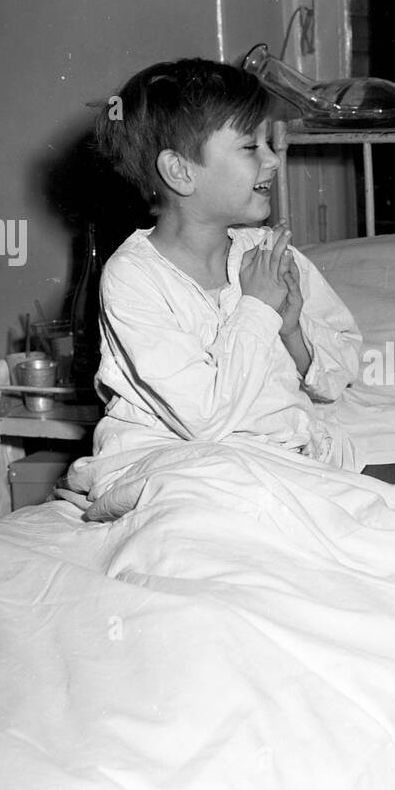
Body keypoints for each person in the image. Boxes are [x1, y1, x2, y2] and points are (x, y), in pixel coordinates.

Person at [67, 58, 360, 498]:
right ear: (180, 171)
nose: (273, 160)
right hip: (174, 463)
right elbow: (205, 419)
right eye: (250, 147)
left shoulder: (270, 256)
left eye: (268, 143)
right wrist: (257, 308)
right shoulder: (133, 276)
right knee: (217, 494)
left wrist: (292, 330)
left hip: (272, 460)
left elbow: (341, 375)